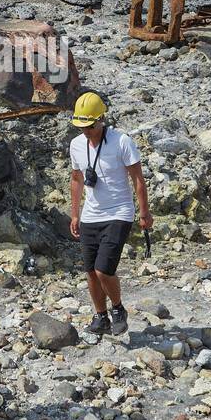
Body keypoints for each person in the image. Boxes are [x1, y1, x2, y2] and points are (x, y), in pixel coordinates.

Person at [68, 91, 151, 337]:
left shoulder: (121, 141)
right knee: (91, 271)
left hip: (119, 212)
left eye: (90, 126)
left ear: (101, 119)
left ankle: (117, 309)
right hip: (91, 215)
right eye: (81, 126)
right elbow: (76, 179)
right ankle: (100, 316)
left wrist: (144, 213)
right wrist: (75, 214)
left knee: (104, 269)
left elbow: (138, 179)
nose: (86, 131)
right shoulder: (76, 145)